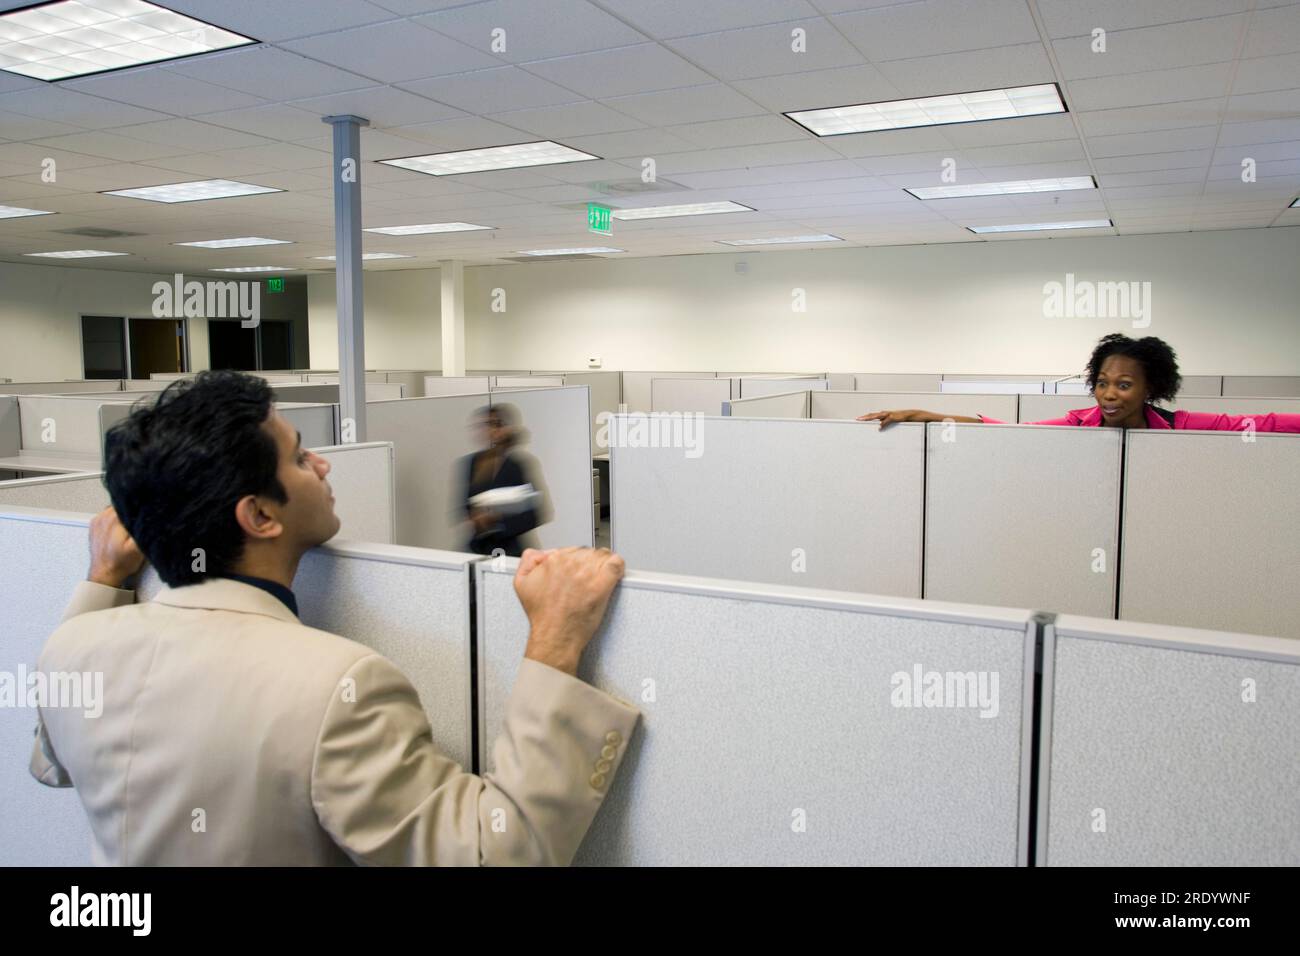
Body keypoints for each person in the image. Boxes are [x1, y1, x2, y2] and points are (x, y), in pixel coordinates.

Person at [30, 370, 638, 866]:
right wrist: (555, 639)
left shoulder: (74, 649)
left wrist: (103, 579)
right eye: (299, 458)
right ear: (261, 517)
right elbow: (493, 853)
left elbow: (48, 763)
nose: (322, 464)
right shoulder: (336, 687)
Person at [856, 334, 1300, 432]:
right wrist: (923, 415)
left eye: (1124, 385)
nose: (1109, 394)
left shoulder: (1179, 425)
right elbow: (1011, 434)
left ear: (1150, 389)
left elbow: (1259, 423)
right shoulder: (1078, 424)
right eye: (1103, 382)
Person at [456, 404, 551, 557]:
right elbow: (461, 508)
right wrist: (474, 517)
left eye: (496, 425)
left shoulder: (517, 465)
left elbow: (535, 514)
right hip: (478, 549)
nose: (490, 431)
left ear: (507, 429)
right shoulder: (470, 463)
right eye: (484, 425)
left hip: (510, 550)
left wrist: (496, 520)